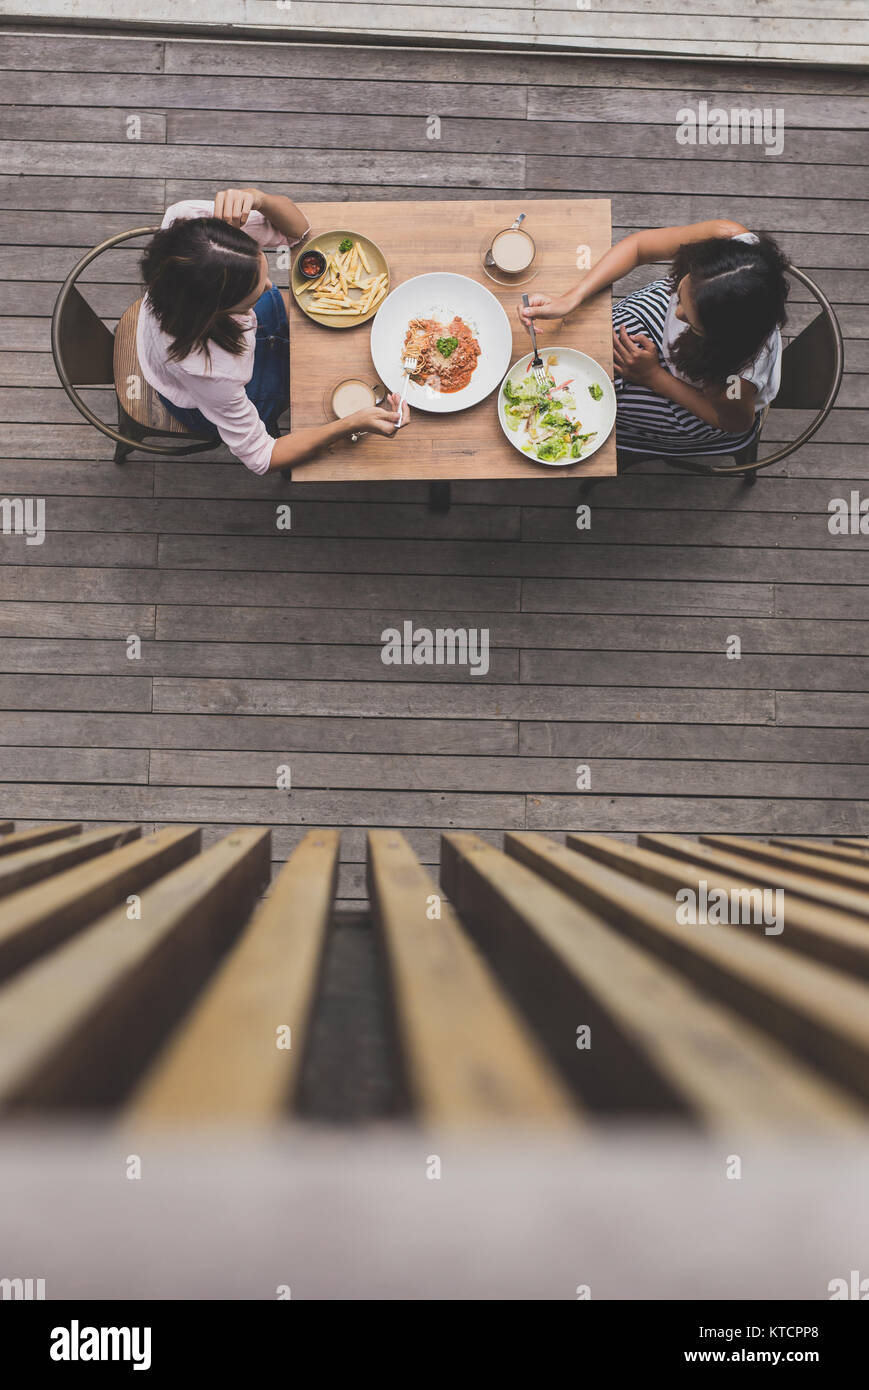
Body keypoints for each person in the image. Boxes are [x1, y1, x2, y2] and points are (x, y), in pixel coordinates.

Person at [137, 188, 407, 473]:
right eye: (251, 299)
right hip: (205, 398)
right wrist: (350, 424)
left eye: (264, 274)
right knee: (314, 397)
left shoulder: (190, 224)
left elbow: (299, 231)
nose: (270, 288)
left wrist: (258, 199)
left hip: (211, 340)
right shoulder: (211, 372)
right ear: (217, 312)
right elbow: (262, 456)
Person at [518, 220, 789, 457]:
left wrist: (655, 378)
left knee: (596, 403)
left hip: (698, 402)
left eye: (691, 321)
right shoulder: (726, 236)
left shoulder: (736, 378)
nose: (678, 312)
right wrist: (570, 299)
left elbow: (733, 423)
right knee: (588, 338)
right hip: (685, 349)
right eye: (683, 290)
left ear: (717, 337)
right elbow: (638, 248)